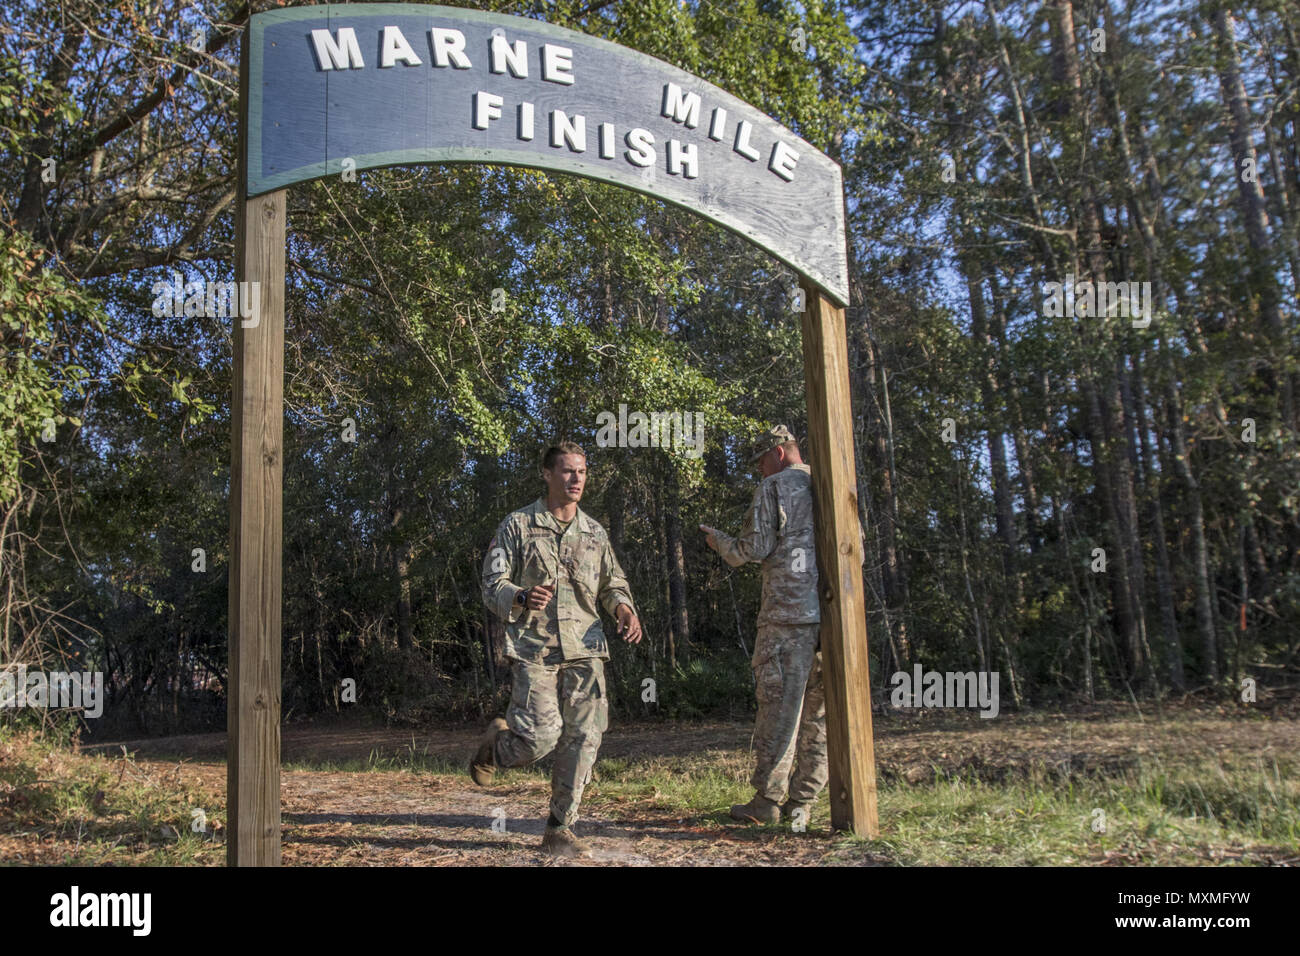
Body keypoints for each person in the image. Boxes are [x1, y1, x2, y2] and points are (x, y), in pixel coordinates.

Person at [474, 440, 643, 858]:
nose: (576, 479)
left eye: (582, 472)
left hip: (586, 648)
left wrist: (623, 608)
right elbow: (491, 584)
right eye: (567, 471)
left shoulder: (595, 532)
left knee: (585, 736)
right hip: (535, 649)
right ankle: (498, 745)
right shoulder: (517, 525)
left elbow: (612, 583)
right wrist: (520, 596)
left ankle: (559, 827)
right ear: (547, 474)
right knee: (540, 738)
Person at [700, 425, 828, 827]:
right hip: (830, 622)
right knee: (819, 715)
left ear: (777, 452)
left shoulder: (775, 487)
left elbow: (751, 550)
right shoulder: (830, 482)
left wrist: (718, 540)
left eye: (759, 461)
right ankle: (802, 803)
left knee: (780, 711)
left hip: (785, 620)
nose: (759, 470)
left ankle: (767, 801)